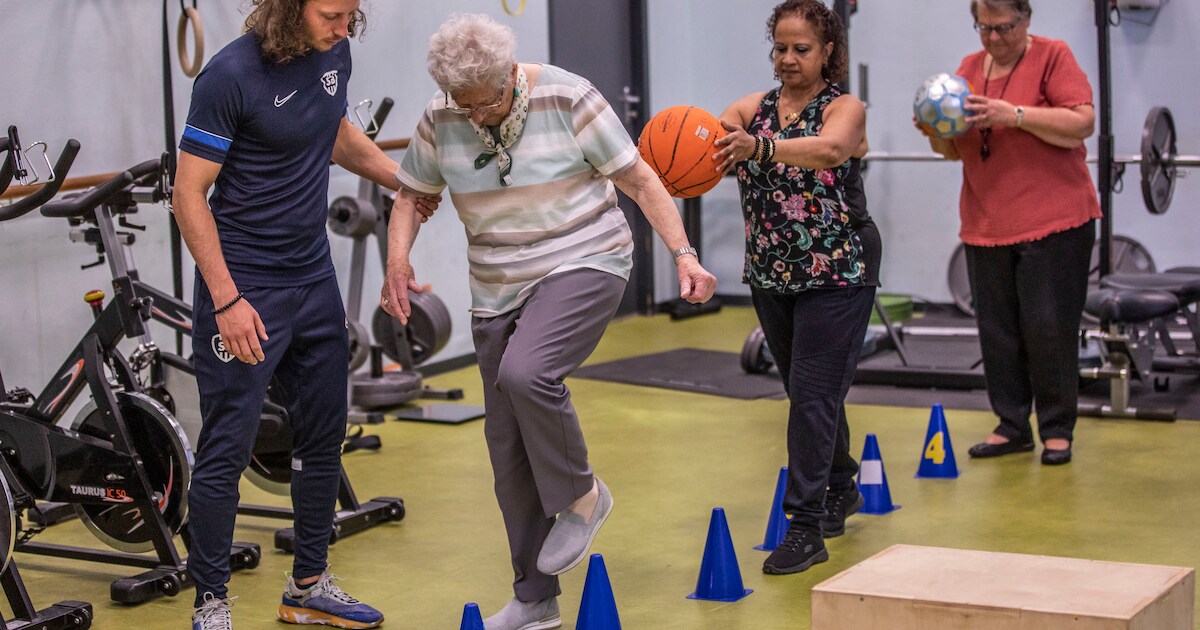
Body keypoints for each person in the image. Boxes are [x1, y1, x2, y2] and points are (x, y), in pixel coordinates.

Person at [381, 13, 717, 630]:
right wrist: (397, 261)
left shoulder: (568, 96)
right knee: (507, 448)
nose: (474, 115)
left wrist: (684, 255)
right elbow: (410, 195)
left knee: (527, 371)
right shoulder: (443, 114)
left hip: (585, 259)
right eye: (462, 103)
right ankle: (534, 598)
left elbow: (640, 179)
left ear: (510, 74)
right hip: (495, 287)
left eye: (485, 103)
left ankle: (583, 497)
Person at [173, 1, 436, 628]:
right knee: (227, 446)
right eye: (330, 14)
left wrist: (405, 181)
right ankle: (211, 603)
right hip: (246, 285)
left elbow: (334, 131)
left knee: (323, 435)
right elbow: (188, 194)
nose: (344, 28)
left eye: (351, 15)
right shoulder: (229, 76)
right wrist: (226, 299)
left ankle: (307, 586)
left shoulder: (332, 49)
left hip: (312, 278)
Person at [712, 0, 877, 575]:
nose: (787, 58)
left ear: (827, 51)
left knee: (811, 394)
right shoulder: (752, 109)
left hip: (839, 268)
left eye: (801, 49)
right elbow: (715, 133)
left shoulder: (845, 108)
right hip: (772, 270)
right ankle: (842, 485)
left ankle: (804, 527)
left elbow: (830, 149)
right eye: (780, 47)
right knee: (809, 392)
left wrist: (757, 148)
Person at [918, 0, 1100, 466]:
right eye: (984, 28)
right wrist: (934, 129)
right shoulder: (968, 70)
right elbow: (953, 152)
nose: (994, 38)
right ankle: (1012, 425)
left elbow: (1081, 123)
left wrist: (1014, 114)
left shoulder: (1053, 56)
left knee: (1048, 330)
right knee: (997, 332)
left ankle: (1056, 429)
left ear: (1026, 19)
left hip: (1054, 220)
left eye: (1003, 28)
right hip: (987, 222)